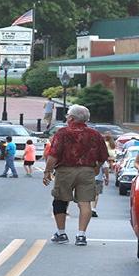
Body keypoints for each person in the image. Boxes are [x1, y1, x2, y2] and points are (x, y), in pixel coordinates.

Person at [43, 104, 109, 246]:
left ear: (71, 118)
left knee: (60, 200)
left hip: (65, 171)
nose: (67, 117)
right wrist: (97, 167)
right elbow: (103, 155)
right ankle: (81, 235)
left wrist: (47, 171)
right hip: (87, 171)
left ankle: (61, 233)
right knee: (85, 202)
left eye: (68, 115)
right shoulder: (95, 134)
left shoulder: (62, 133)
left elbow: (53, 154)